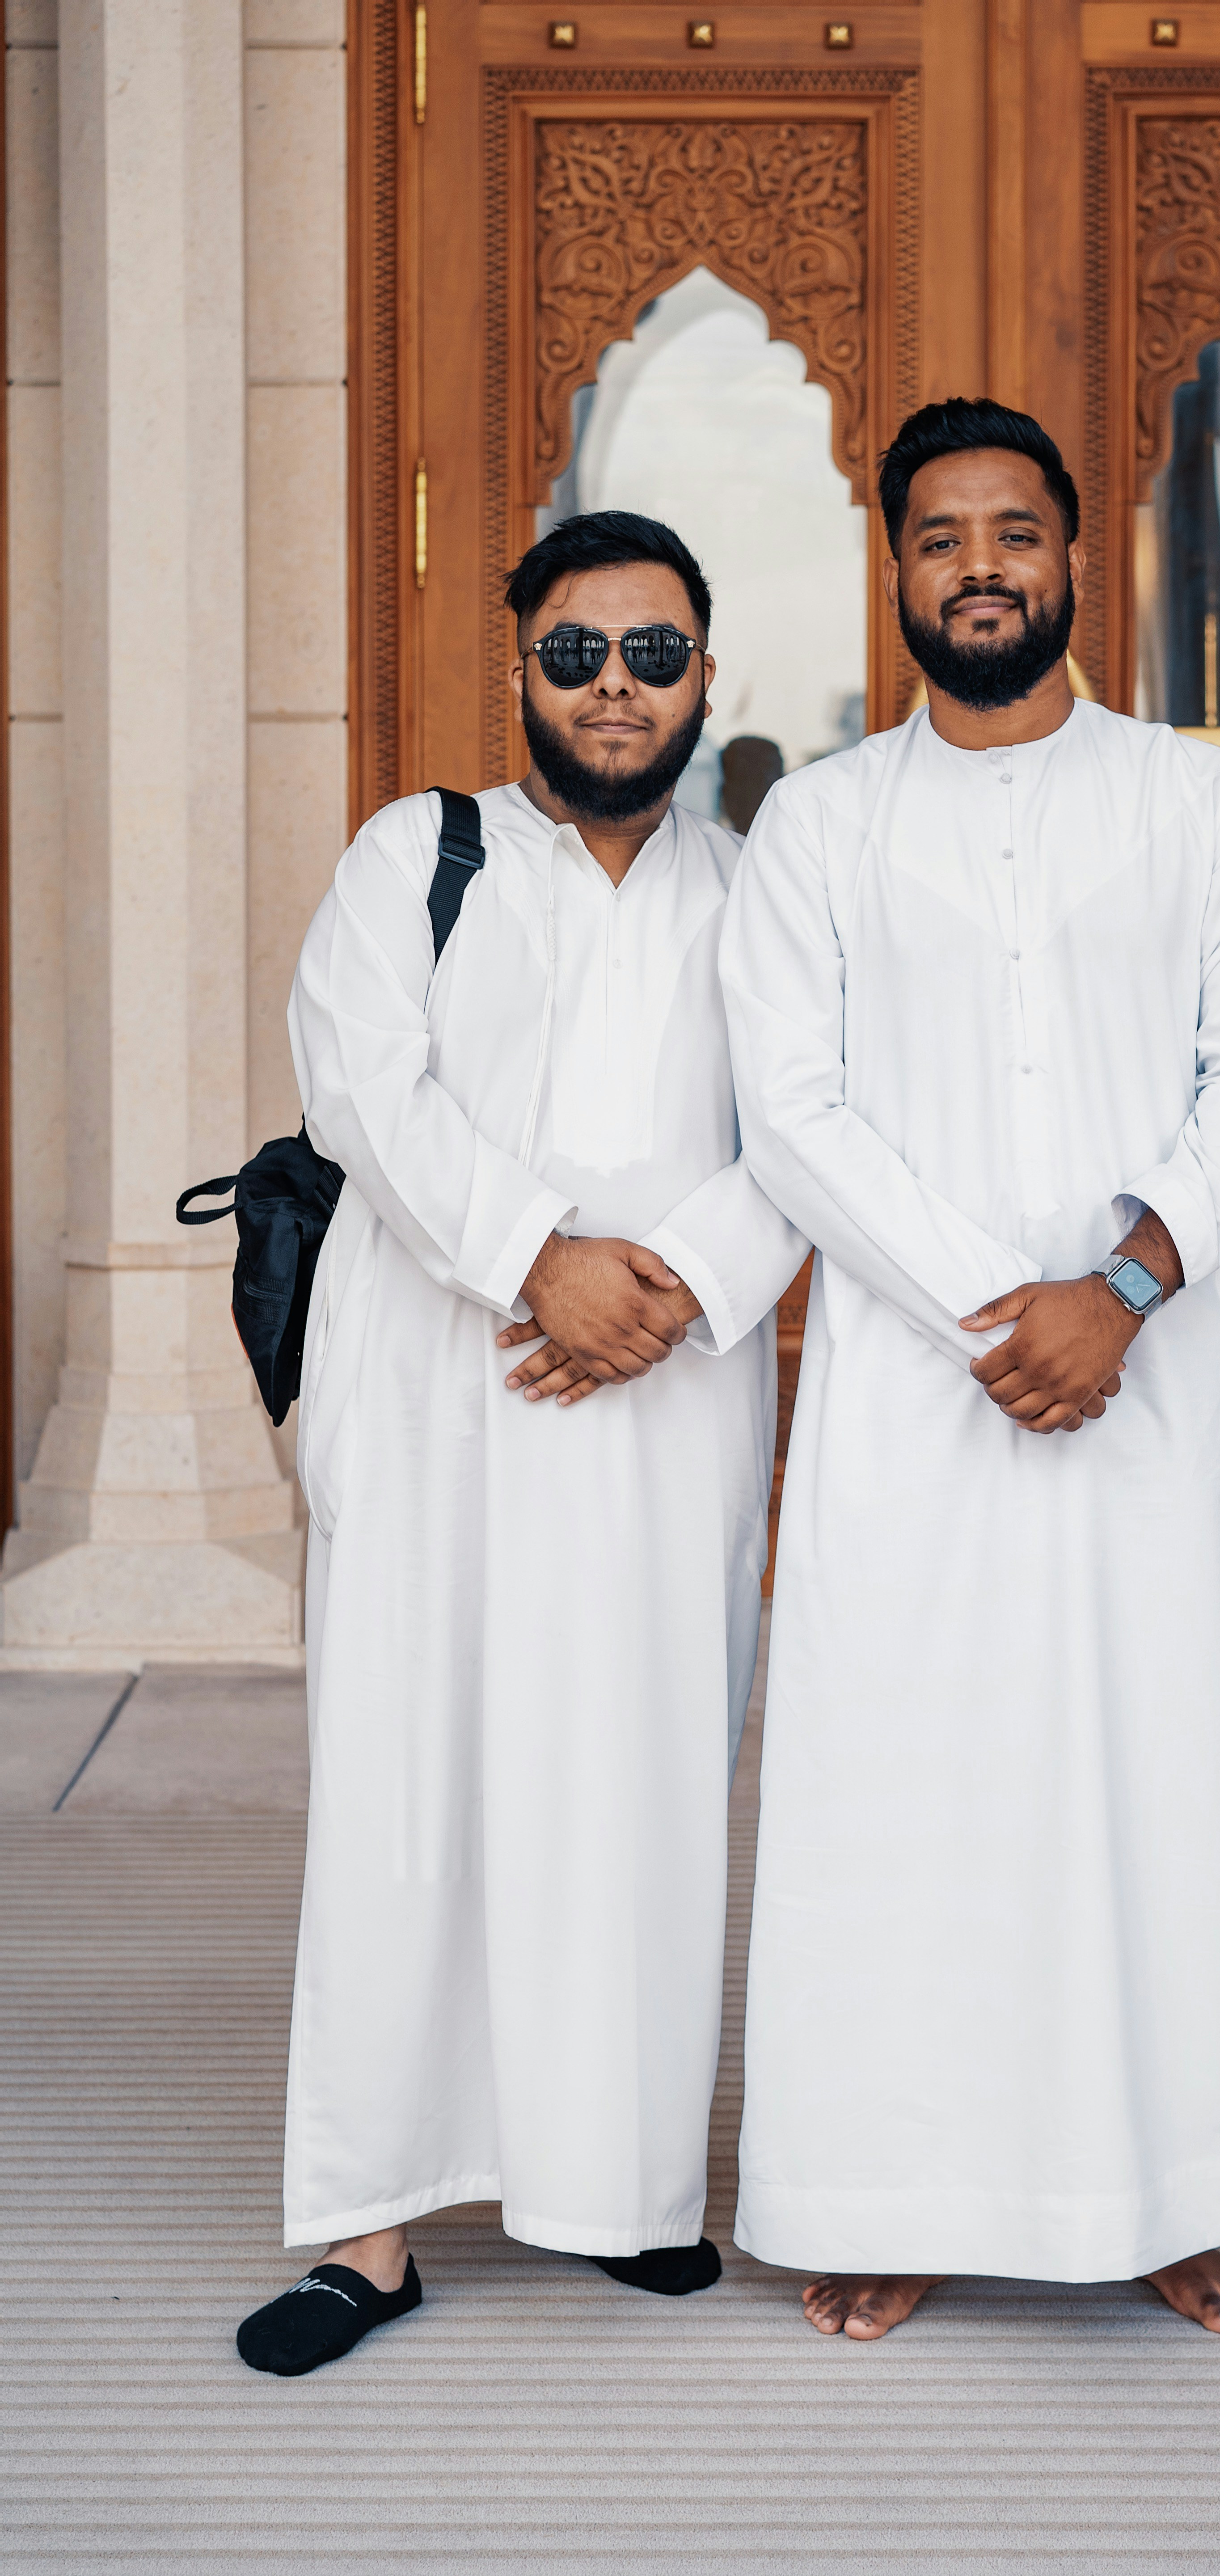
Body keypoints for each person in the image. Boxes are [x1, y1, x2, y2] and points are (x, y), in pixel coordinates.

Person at [719, 397, 1220, 2343]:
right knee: (906, 1784)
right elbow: (790, 1110)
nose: (977, 565)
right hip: (918, 1399)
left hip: (1150, 1385)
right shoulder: (819, 823)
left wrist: (1123, 1284)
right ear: (894, 574)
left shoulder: (1196, 806)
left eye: (1011, 530)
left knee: (1163, 1779)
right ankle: (887, 2185)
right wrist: (1008, 1308)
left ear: (1076, 559)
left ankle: (1173, 2186)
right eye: (938, 536)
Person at [236, 509, 806, 2377]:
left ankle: (621, 2189)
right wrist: (537, 1260)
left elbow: (816, 1127)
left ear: (703, 676)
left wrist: (681, 1283)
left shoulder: (763, 892)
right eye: (576, 653)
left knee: (640, 1790)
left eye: (652, 653)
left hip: (670, 1403)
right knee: (409, 1795)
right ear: (521, 672)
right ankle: (370, 2229)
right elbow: (360, 1086)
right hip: (440, 1397)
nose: (614, 687)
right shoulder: (419, 856)